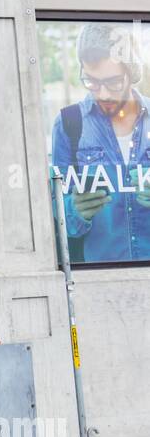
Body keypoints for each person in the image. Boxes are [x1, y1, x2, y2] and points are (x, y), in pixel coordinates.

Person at [52, 22, 150, 263]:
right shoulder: (68, 124)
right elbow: (57, 214)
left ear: (132, 73)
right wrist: (75, 212)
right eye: (92, 82)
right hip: (99, 280)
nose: (103, 94)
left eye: (113, 82)